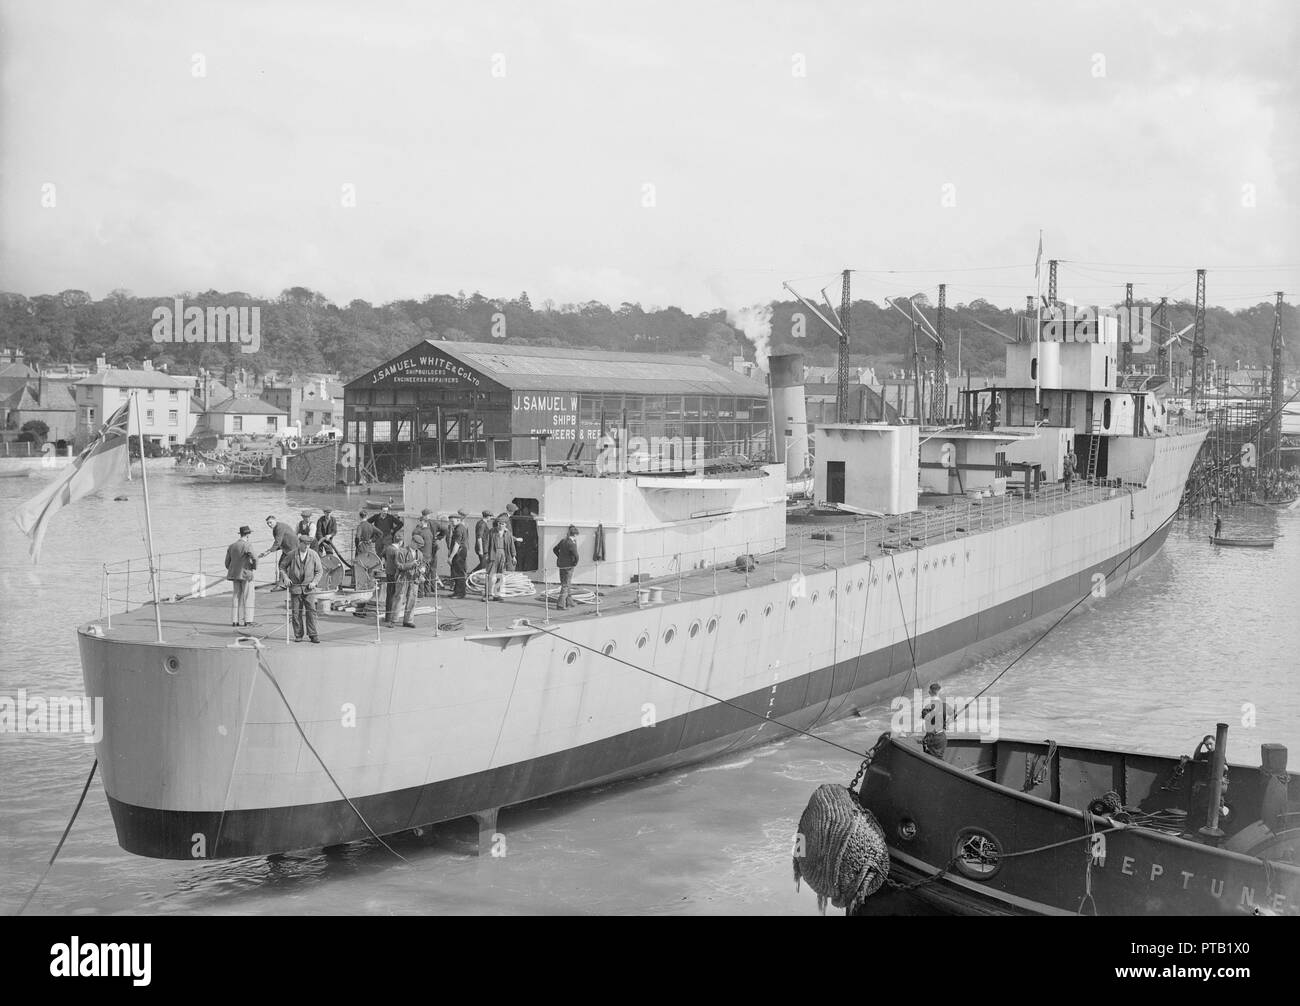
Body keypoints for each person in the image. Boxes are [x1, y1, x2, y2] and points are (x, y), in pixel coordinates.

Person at [283, 534, 322, 643]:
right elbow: (282, 567)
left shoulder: (314, 555)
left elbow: (319, 571)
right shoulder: (292, 554)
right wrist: (285, 578)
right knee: (296, 613)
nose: (306, 546)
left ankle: (313, 634)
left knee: (311, 611)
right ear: (299, 543)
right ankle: (298, 634)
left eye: (308, 544)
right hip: (295, 588)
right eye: (304, 544)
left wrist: (314, 582)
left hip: (309, 588)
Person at [224, 524, 257, 626]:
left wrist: (233, 569)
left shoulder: (232, 546)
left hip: (235, 574)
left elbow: (226, 563)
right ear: (248, 535)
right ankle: (248, 621)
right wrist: (253, 567)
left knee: (236, 596)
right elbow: (255, 558)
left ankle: (235, 621)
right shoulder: (248, 545)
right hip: (246, 574)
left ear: (240, 534)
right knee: (248, 597)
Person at [395, 533, 425, 627]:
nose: (418, 547)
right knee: (399, 598)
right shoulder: (402, 551)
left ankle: (408, 620)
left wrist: (423, 569)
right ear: (412, 542)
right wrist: (411, 564)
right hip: (403, 577)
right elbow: (399, 565)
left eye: (419, 546)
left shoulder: (419, 553)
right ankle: (394, 619)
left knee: (412, 599)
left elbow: (422, 564)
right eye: (417, 545)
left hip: (414, 578)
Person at [259, 514, 297, 589]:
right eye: (268, 523)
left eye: (270, 522)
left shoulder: (279, 528)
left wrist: (269, 551)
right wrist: (268, 551)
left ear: (275, 520)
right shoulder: (275, 529)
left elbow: (278, 542)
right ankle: (284, 583)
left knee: (282, 565)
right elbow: (279, 543)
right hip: (286, 548)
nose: (269, 525)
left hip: (292, 548)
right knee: (283, 565)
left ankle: (282, 584)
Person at [484, 515, 517, 601]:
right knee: (490, 576)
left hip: (503, 555)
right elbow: (486, 542)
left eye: (502, 524)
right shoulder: (491, 532)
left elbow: (511, 545)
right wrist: (486, 553)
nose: (501, 525)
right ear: (497, 524)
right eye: (499, 523)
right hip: (493, 554)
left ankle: (497, 595)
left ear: (505, 524)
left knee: (500, 575)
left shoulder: (508, 533)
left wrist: (513, 556)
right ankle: (487, 595)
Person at [552, 525, 579, 609]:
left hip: (561, 565)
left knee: (566, 583)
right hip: (569, 566)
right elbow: (576, 556)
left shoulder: (563, 541)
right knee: (566, 585)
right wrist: (574, 563)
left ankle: (569, 601)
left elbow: (554, 549)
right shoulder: (572, 544)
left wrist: (559, 556)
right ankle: (560, 604)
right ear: (574, 535)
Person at [921, 682, 949, 758]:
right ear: (940, 692)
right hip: (942, 737)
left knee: (933, 760)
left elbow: (926, 717)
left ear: (929, 692)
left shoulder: (928, 705)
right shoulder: (944, 705)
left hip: (933, 738)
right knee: (938, 759)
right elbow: (946, 720)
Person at [380, 536, 402, 627]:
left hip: (388, 572)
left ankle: (387, 616)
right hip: (394, 574)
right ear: (400, 542)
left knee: (389, 595)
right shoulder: (397, 551)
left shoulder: (388, 548)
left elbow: (382, 555)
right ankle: (392, 616)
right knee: (395, 595)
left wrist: (386, 563)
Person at [447, 510, 469, 598]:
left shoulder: (459, 529)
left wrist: (451, 557)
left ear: (458, 520)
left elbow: (457, 544)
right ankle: (457, 591)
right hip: (460, 552)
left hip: (459, 553)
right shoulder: (460, 527)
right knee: (456, 572)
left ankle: (460, 593)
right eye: (450, 521)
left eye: (453, 521)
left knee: (459, 573)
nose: (451, 523)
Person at [472, 509, 493, 573]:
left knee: (483, 564)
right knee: (483, 565)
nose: (491, 518)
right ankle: (472, 574)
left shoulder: (481, 523)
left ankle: (472, 573)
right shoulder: (482, 524)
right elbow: (479, 537)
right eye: (491, 516)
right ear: (488, 516)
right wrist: (481, 550)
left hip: (484, 547)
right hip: (483, 548)